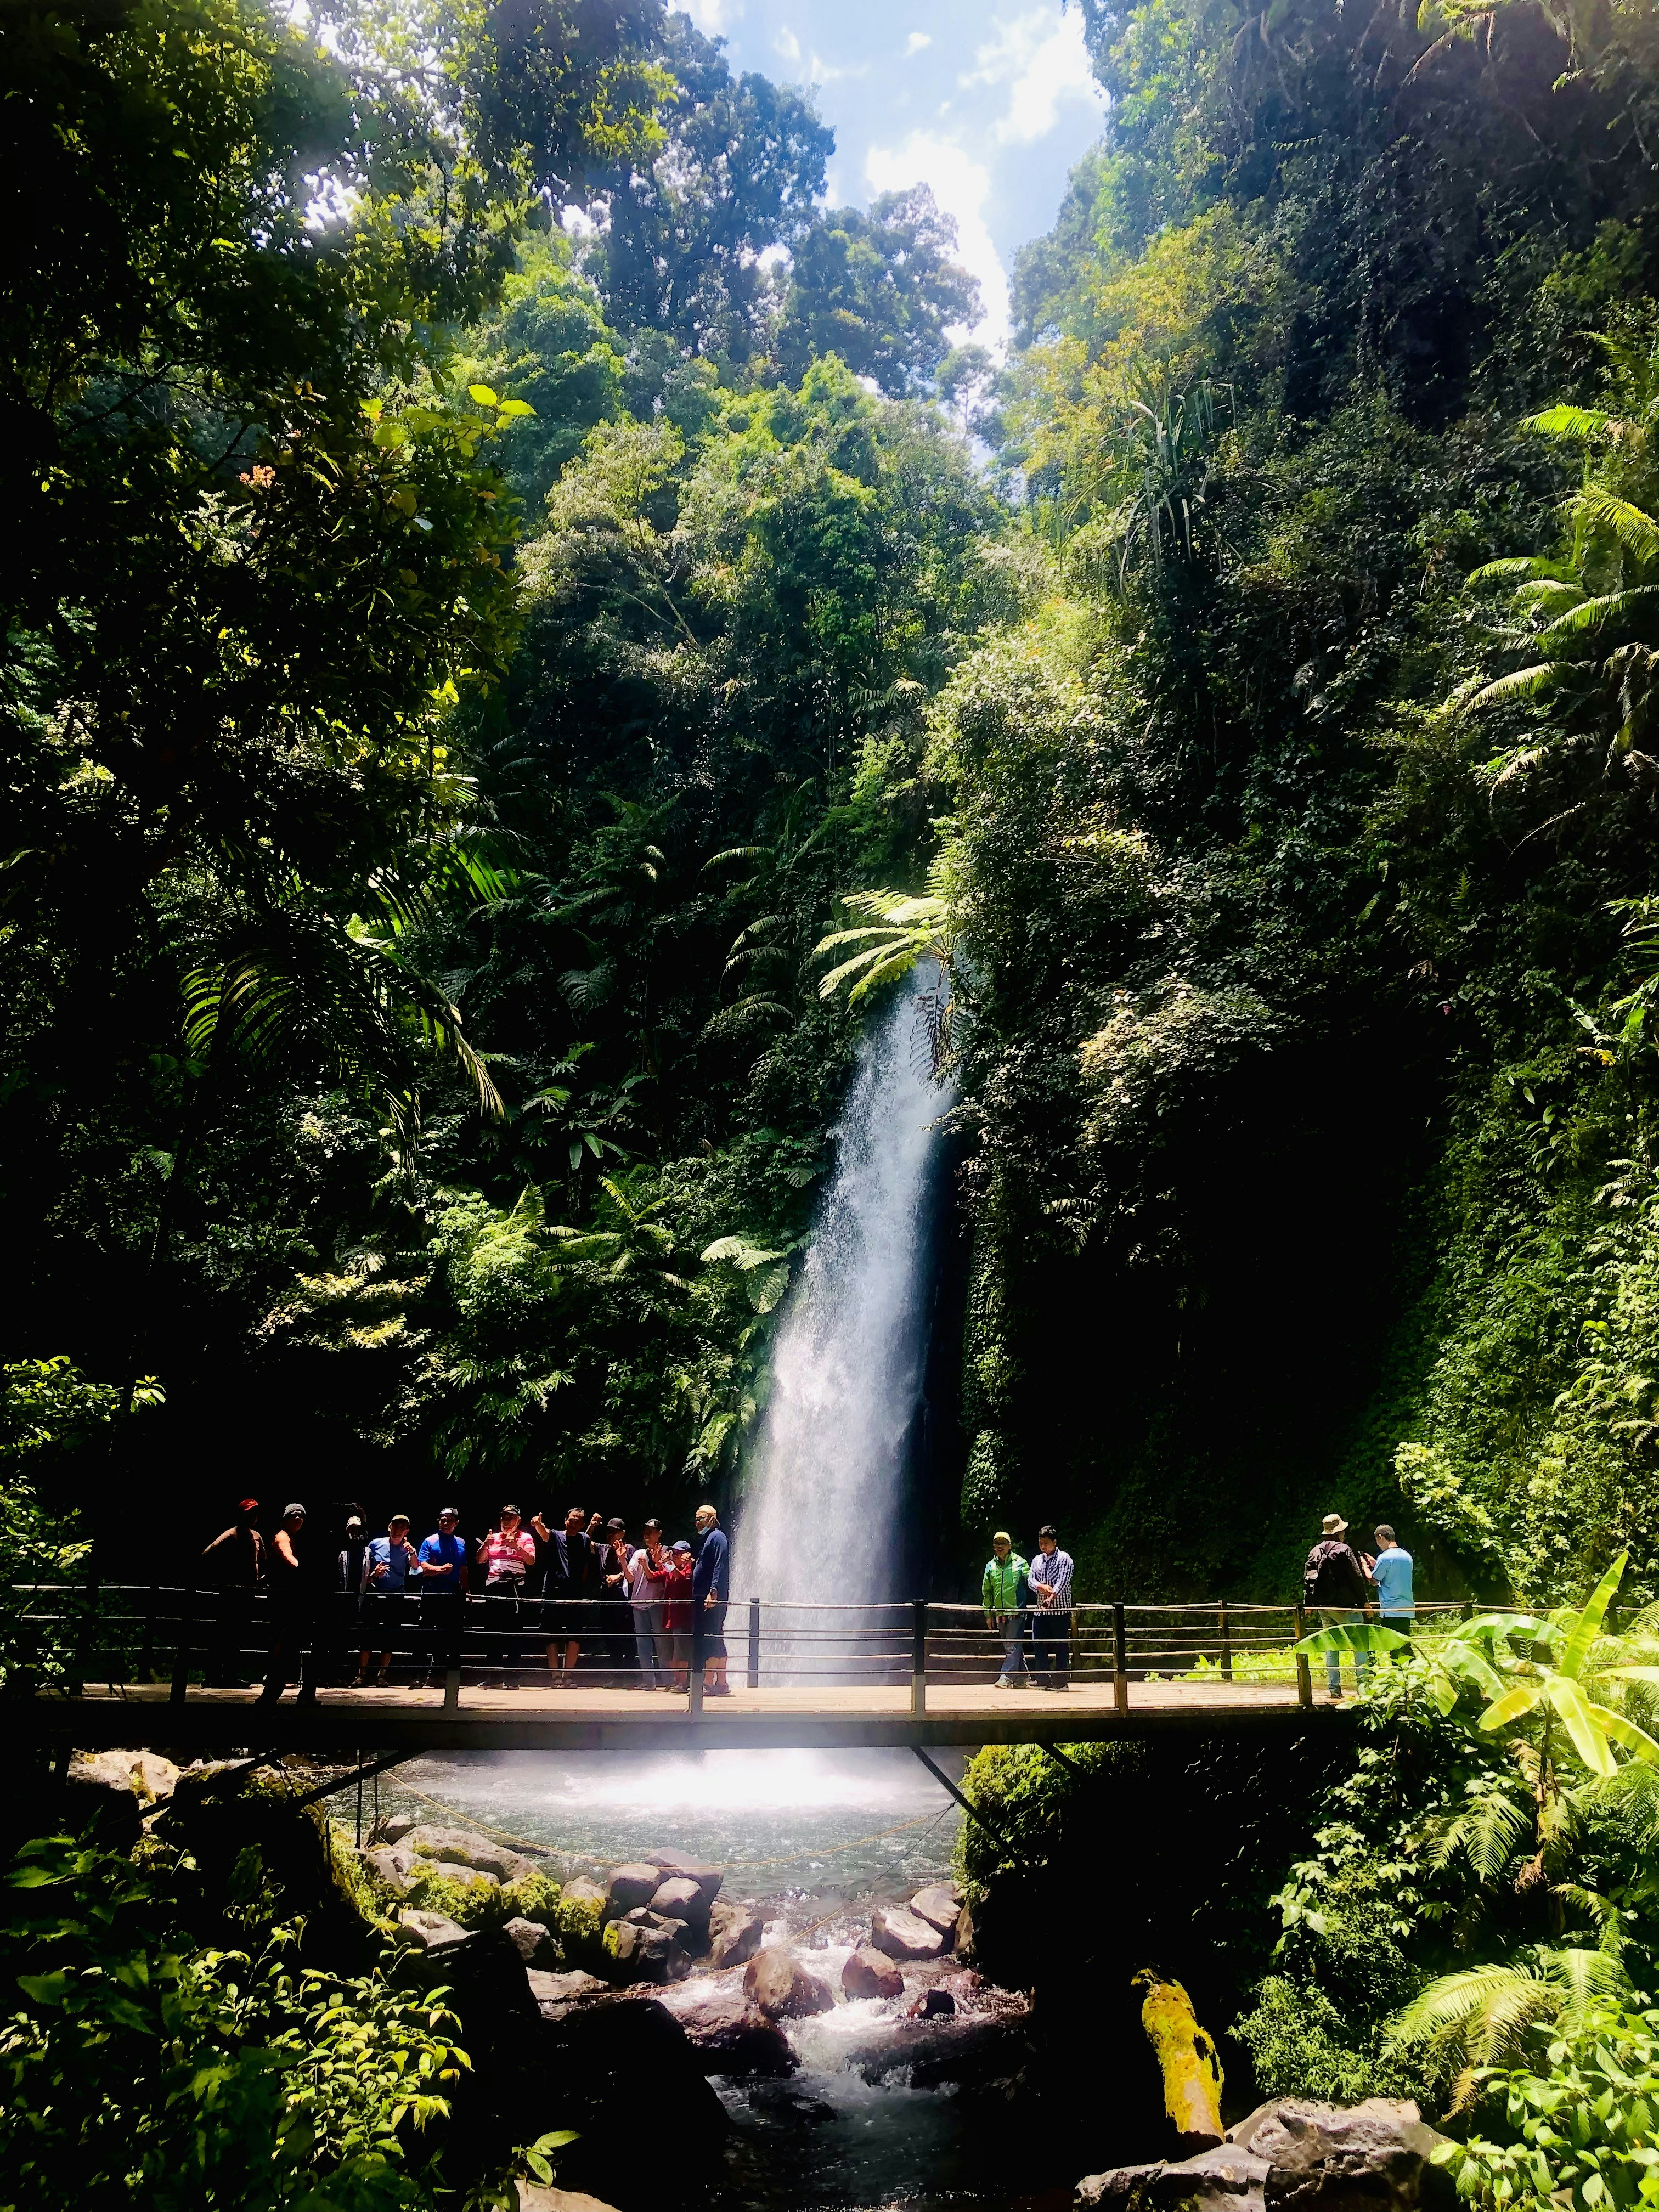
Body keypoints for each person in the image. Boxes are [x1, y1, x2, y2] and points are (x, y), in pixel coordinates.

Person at [1303, 1512, 1373, 1699]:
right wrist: (1364, 1601)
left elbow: (1308, 1579)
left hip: (1324, 1608)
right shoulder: (1343, 1549)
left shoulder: (1315, 1551)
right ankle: (1363, 1687)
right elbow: (1356, 1577)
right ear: (1340, 1532)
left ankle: (1334, 1689)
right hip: (1346, 1606)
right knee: (1359, 1645)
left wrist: (1308, 1604)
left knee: (1331, 1646)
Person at [202, 1498, 264, 1686]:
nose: (253, 1516)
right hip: (231, 1594)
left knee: (238, 1635)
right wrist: (223, 1577)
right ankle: (214, 1676)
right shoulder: (231, 1534)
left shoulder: (256, 1536)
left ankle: (229, 1675)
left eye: (255, 1513)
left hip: (248, 1594)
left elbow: (262, 1561)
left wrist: (261, 1579)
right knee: (224, 1634)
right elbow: (209, 1552)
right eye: (249, 1513)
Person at [257, 1503, 315, 1705]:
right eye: (294, 1515)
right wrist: (303, 1571)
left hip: (291, 1599)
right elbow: (287, 1555)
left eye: (301, 1515)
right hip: (282, 1599)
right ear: (285, 1518)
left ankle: (276, 1685)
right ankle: (272, 1683)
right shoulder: (282, 1536)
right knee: (281, 1640)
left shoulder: (297, 1538)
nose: (298, 1518)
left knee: (287, 1641)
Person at [476, 1505, 536, 1689]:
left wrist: (516, 1546)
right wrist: (485, 1545)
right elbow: (480, 1560)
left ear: (518, 1519)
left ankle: (512, 1679)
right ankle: (493, 1678)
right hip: (494, 1586)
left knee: (513, 1633)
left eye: (510, 1517)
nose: (506, 1521)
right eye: (503, 1517)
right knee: (492, 1633)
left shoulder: (526, 1537)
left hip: (514, 1587)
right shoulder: (492, 1537)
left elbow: (531, 1561)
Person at [535, 1505, 594, 1687]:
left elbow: (586, 1566)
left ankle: (568, 1676)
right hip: (553, 1590)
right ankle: (555, 1677)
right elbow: (544, 1534)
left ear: (582, 1524)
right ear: (565, 1520)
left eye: (577, 1521)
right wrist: (538, 1525)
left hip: (575, 1592)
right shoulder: (555, 1535)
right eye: (571, 1520)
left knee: (574, 1635)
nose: (573, 1523)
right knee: (551, 1635)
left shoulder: (585, 1539)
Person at [356, 1514, 418, 1687]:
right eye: (396, 1526)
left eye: (402, 1527)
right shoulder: (376, 1543)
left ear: (406, 1531)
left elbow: (415, 1566)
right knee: (368, 1633)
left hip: (396, 1595)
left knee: (390, 1636)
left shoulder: (408, 1549)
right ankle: (361, 1674)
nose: (398, 1530)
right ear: (390, 1527)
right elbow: (365, 1568)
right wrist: (375, 1574)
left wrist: (412, 1551)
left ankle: (381, 1676)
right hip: (375, 1593)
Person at [417, 1506, 468, 1686]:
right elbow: (421, 1566)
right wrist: (440, 1570)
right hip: (432, 1593)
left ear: (456, 1523)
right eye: (442, 1520)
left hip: (454, 1595)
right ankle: (419, 1676)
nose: (445, 1523)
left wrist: (467, 1590)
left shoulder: (460, 1542)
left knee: (447, 1637)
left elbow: (463, 1568)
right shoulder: (429, 1541)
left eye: (449, 1520)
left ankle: (437, 1677)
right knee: (425, 1635)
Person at [1028, 1524, 1075, 1690]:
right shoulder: (1037, 1560)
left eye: (1046, 1543)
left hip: (1059, 1610)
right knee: (1038, 1642)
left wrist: (1052, 1595)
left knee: (1060, 1644)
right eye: (1040, 1543)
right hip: (1040, 1609)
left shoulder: (1064, 1559)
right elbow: (1031, 1580)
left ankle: (1061, 1681)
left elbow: (1063, 1581)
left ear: (1054, 1542)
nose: (1043, 1546)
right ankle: (1042, 1678)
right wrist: (1040, 1587)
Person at [983, 1531, 1030, 1689]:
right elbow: (987, 1592)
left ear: (1010, 1546)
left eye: (1003, 1543)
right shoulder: (990, 1566)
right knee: (1013, 1646)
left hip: (1017, 1612)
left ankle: (1006, 1676)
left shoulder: (1020, 1563)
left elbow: (1033, 1580)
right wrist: (988, 1614)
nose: (1000, 1547)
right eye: (997, 1544)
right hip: (1000, 1613)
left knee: (1012, 1646)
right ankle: (1023, 1677)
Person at [692, 1503, 731, 1696]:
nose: (697, 1522)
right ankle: (722, 1683)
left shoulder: (718, 1537)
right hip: (708, 1599)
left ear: (711, 1520)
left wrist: (713, 1591)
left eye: (700, 1519)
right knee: (716, 1637)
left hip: (712, 1600)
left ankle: (708, 1682)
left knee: (712, 1638)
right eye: (696, 1519)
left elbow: (720, 1564)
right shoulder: (711, 1538)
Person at [627, 1519, 671, 1689]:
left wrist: (660, 1562)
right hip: (639, 1603)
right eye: (645, 1532)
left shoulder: (667, 1552)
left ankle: (668, 1681)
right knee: (642, 1644)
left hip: (657, 1603)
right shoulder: (639, 1554)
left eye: (651, 1532)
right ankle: (648, 1682)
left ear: (659, 1533)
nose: (647, 1535)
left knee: (662, 1643)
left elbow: (669, 1575)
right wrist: (623, 1560)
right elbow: (630, 1578)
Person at [1369, 1525, 1415, 1656]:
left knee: (1394, 1649)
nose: (1378, 1544)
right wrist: (1376, 1564)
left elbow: (1374, 1580)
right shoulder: (1407, 1556)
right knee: (1405, 1644)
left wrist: (1365, 1567)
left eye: (1377, 1540)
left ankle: (1401, 1674)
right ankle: (1413, 1672)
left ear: (1381, 1537)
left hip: (1391, 1610)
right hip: (1407, 1608)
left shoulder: (1384, 1558)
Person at [336, 1509, 369, 1685]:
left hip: (360, 1601)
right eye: (351, 1529)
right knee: (341, 1639)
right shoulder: (341, 1551)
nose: (354, 1532)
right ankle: (339, 1675)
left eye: (357, 1528)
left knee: (357, 1638)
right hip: (343, 1601)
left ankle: (355, 1675)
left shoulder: (367, 1552)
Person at [600, 1519, 632, 1683]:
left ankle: (631, 1677)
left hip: (625, 1602)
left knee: (627, 1638)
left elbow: (633, 1572)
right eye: (608, 1531)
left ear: (623, 1533)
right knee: (611, 1638)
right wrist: (592, 1526)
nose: (611, 1535)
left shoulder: (630, 1549)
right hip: (607, 1600)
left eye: (614, 1531)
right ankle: (617, 1677)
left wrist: (618, 1576)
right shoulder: (604, 1550)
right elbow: (585, 1541)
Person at [661, 1539, 695, 1690]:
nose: (674, 1555)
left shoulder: (690, 1568)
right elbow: (656, 1575)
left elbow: (681, 1578)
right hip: (670, 1616)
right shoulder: (671, 1568)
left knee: (682, 1652)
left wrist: (669, 1565)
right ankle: (677, 1680)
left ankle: (683, 1683)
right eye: (673, 1552)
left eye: (678, 1553)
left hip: (683, 1617)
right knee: (670, 1652)